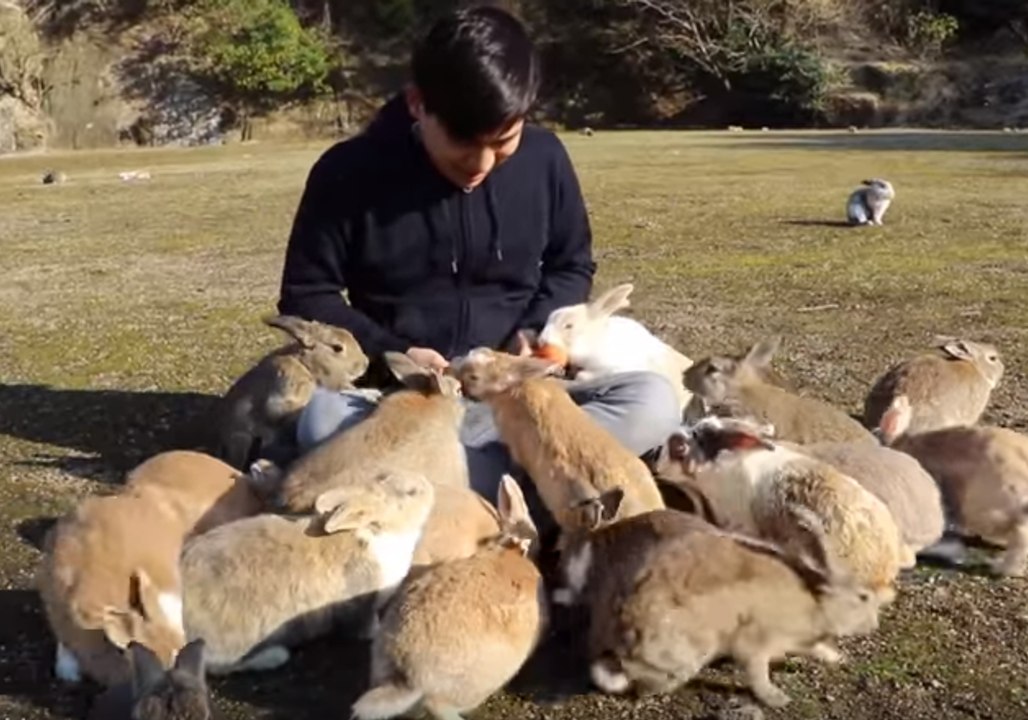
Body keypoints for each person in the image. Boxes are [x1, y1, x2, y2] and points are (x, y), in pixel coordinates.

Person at [275, 4, 681, 512]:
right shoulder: (348, 173)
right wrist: (394, 351)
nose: (482, 166)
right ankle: (540, 485)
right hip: (403, 402)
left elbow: (570, 265)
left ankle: (448, 487)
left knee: (653, 401)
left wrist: (531, 336)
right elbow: (307, 294)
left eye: (503, 143)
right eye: (464, 145)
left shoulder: (545, 160)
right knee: (321, 423)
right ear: (419, 105)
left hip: (515, 394)